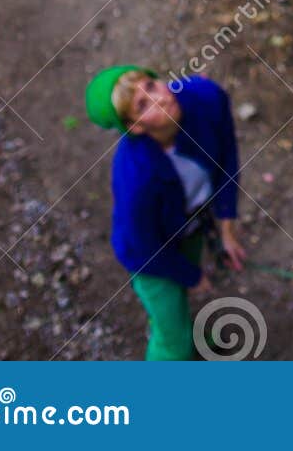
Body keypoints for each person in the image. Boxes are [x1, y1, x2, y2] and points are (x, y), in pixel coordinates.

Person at [84, 64, 245, 360]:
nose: (161, 98)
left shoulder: (206, 98)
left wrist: (226, 226)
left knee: (176, 309)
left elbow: (227, 158)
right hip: (149, 257)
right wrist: (191, 276)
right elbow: (143, 247)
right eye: (143, 104)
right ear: (134, 126)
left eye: (152, 86)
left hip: (190, 225)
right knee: (172, 341)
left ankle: (183, 332)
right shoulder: (136, 176)